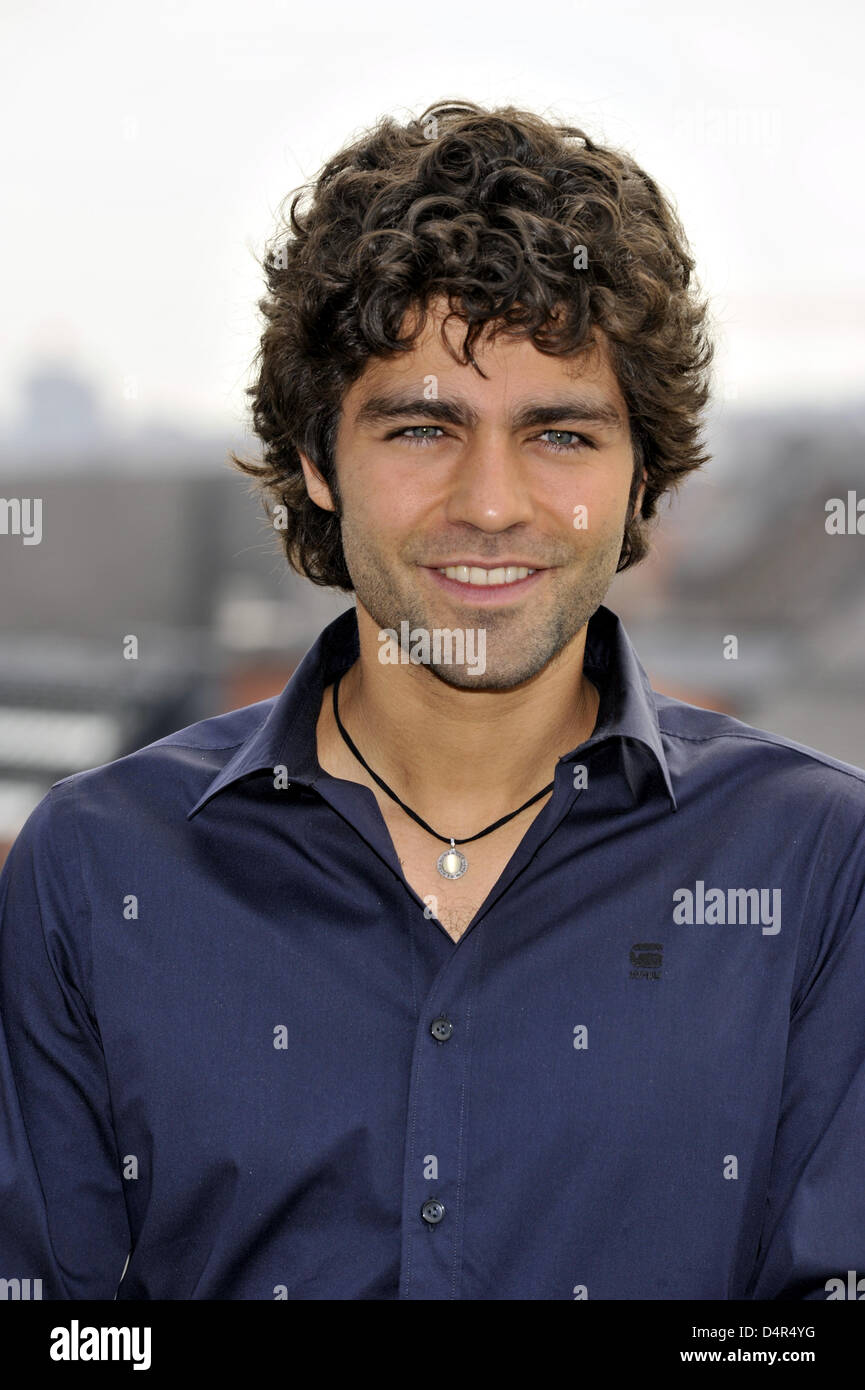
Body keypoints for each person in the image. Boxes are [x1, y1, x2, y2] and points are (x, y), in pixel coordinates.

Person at [1, 99, 863, 1302]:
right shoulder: (93, 873)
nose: (492, 502)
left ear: (640, 478)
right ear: (317, 458)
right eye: (421, 426)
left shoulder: (821, 867)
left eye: (560, 434)